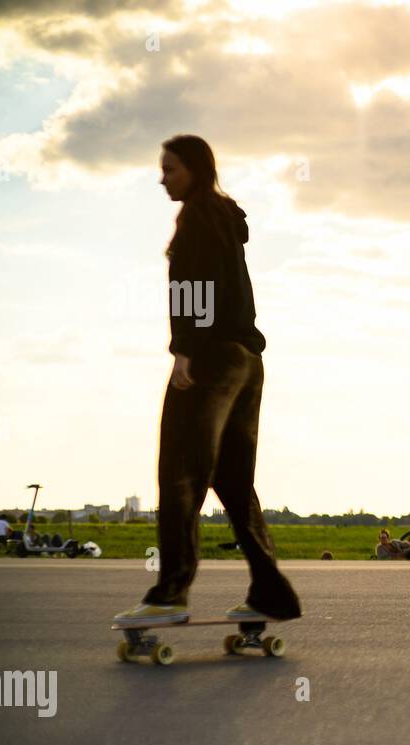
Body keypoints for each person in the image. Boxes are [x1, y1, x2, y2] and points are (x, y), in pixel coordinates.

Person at [115, 135, 301, 626]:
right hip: (246, 359)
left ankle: (170, 592)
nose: (162, 178)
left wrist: (183, 351)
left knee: (179, 472)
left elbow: (191, 289)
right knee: (234, 481)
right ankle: (270, 592)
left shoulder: (197, 216)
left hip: (212, 358)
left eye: (170, 169)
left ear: (195, 169)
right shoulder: (224, 217)